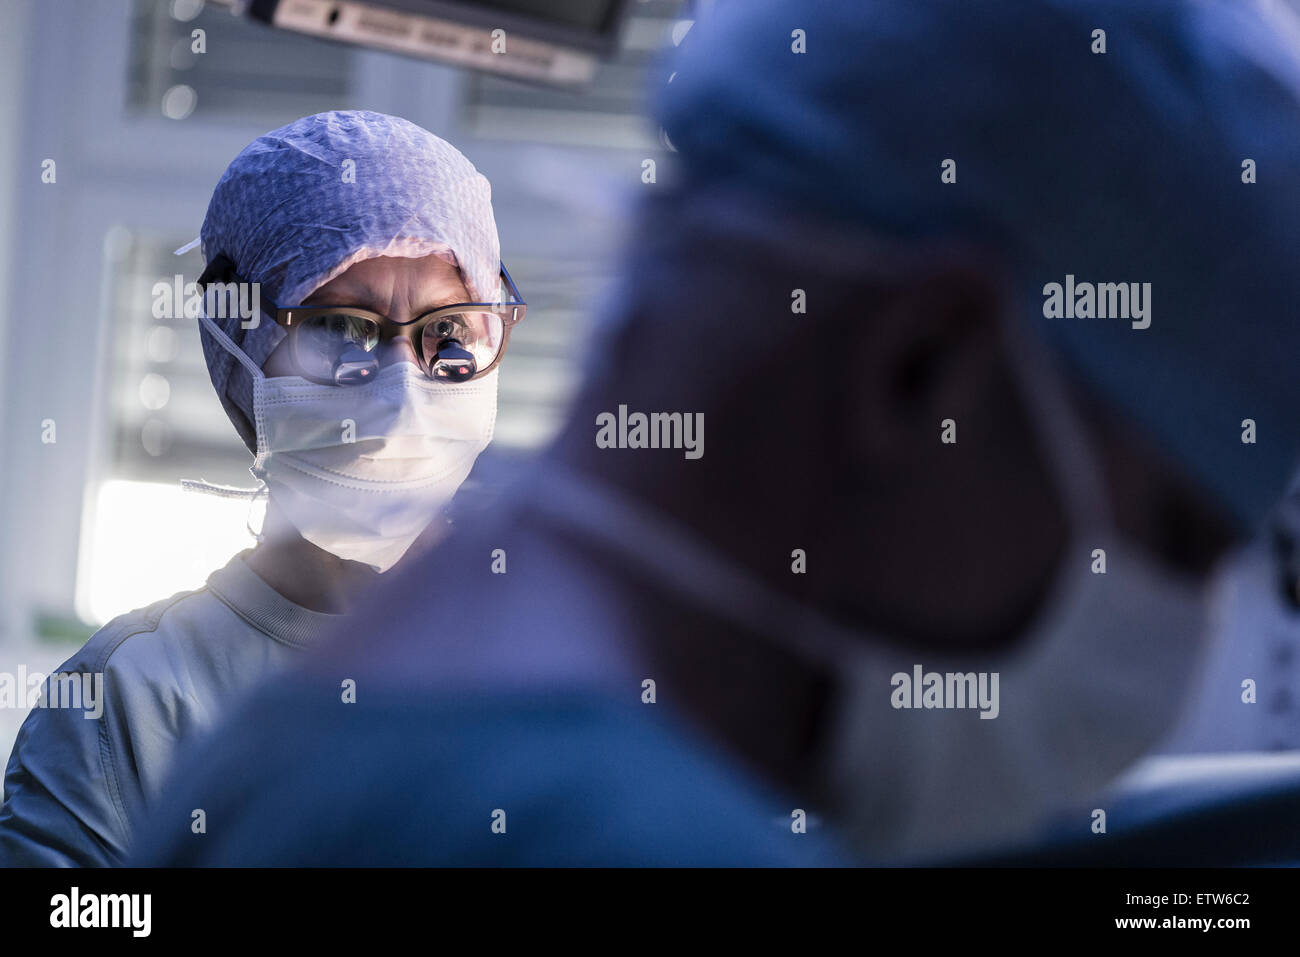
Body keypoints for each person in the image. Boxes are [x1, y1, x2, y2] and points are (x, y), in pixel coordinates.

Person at [136, 0, 1300, 865]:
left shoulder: (359, 732)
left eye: (447, 332)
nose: (1176, 629)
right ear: (917, 372)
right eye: (1176, 535)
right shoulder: (615, 838)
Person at [0, 110, 523, 865]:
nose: (404, 391)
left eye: (449, 333)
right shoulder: (129, 704)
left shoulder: (571, 664)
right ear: (240, 358)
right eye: (342, 329)